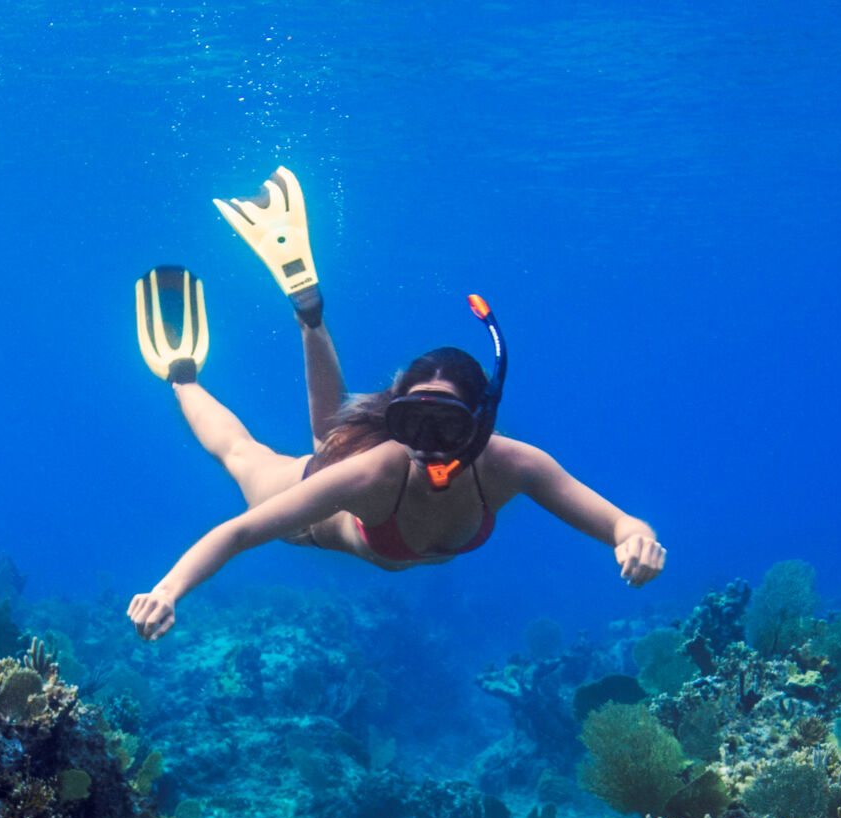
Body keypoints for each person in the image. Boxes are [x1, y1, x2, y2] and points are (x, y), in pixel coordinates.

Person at [127, 167, 665, 642]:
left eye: (446, 427)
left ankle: (310, 315)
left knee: (330, 437)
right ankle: (183, 376)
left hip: (352, 479)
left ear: (481, 423)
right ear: (395, 418)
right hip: (317, 511)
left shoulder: (517, 465)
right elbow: (239, 532)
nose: (426, 448)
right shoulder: (377, 470)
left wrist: (638, 541)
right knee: (244, 454)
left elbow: (624, 525)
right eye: (410, 423)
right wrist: (168, 591)